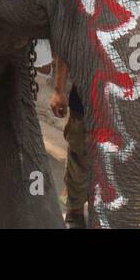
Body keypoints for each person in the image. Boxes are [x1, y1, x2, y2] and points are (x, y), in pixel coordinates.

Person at [50, 57, 88, 228]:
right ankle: (75, 209)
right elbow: (64, 45)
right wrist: (59, 89)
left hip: (127, 103)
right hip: (85, 98)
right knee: (78, 155)